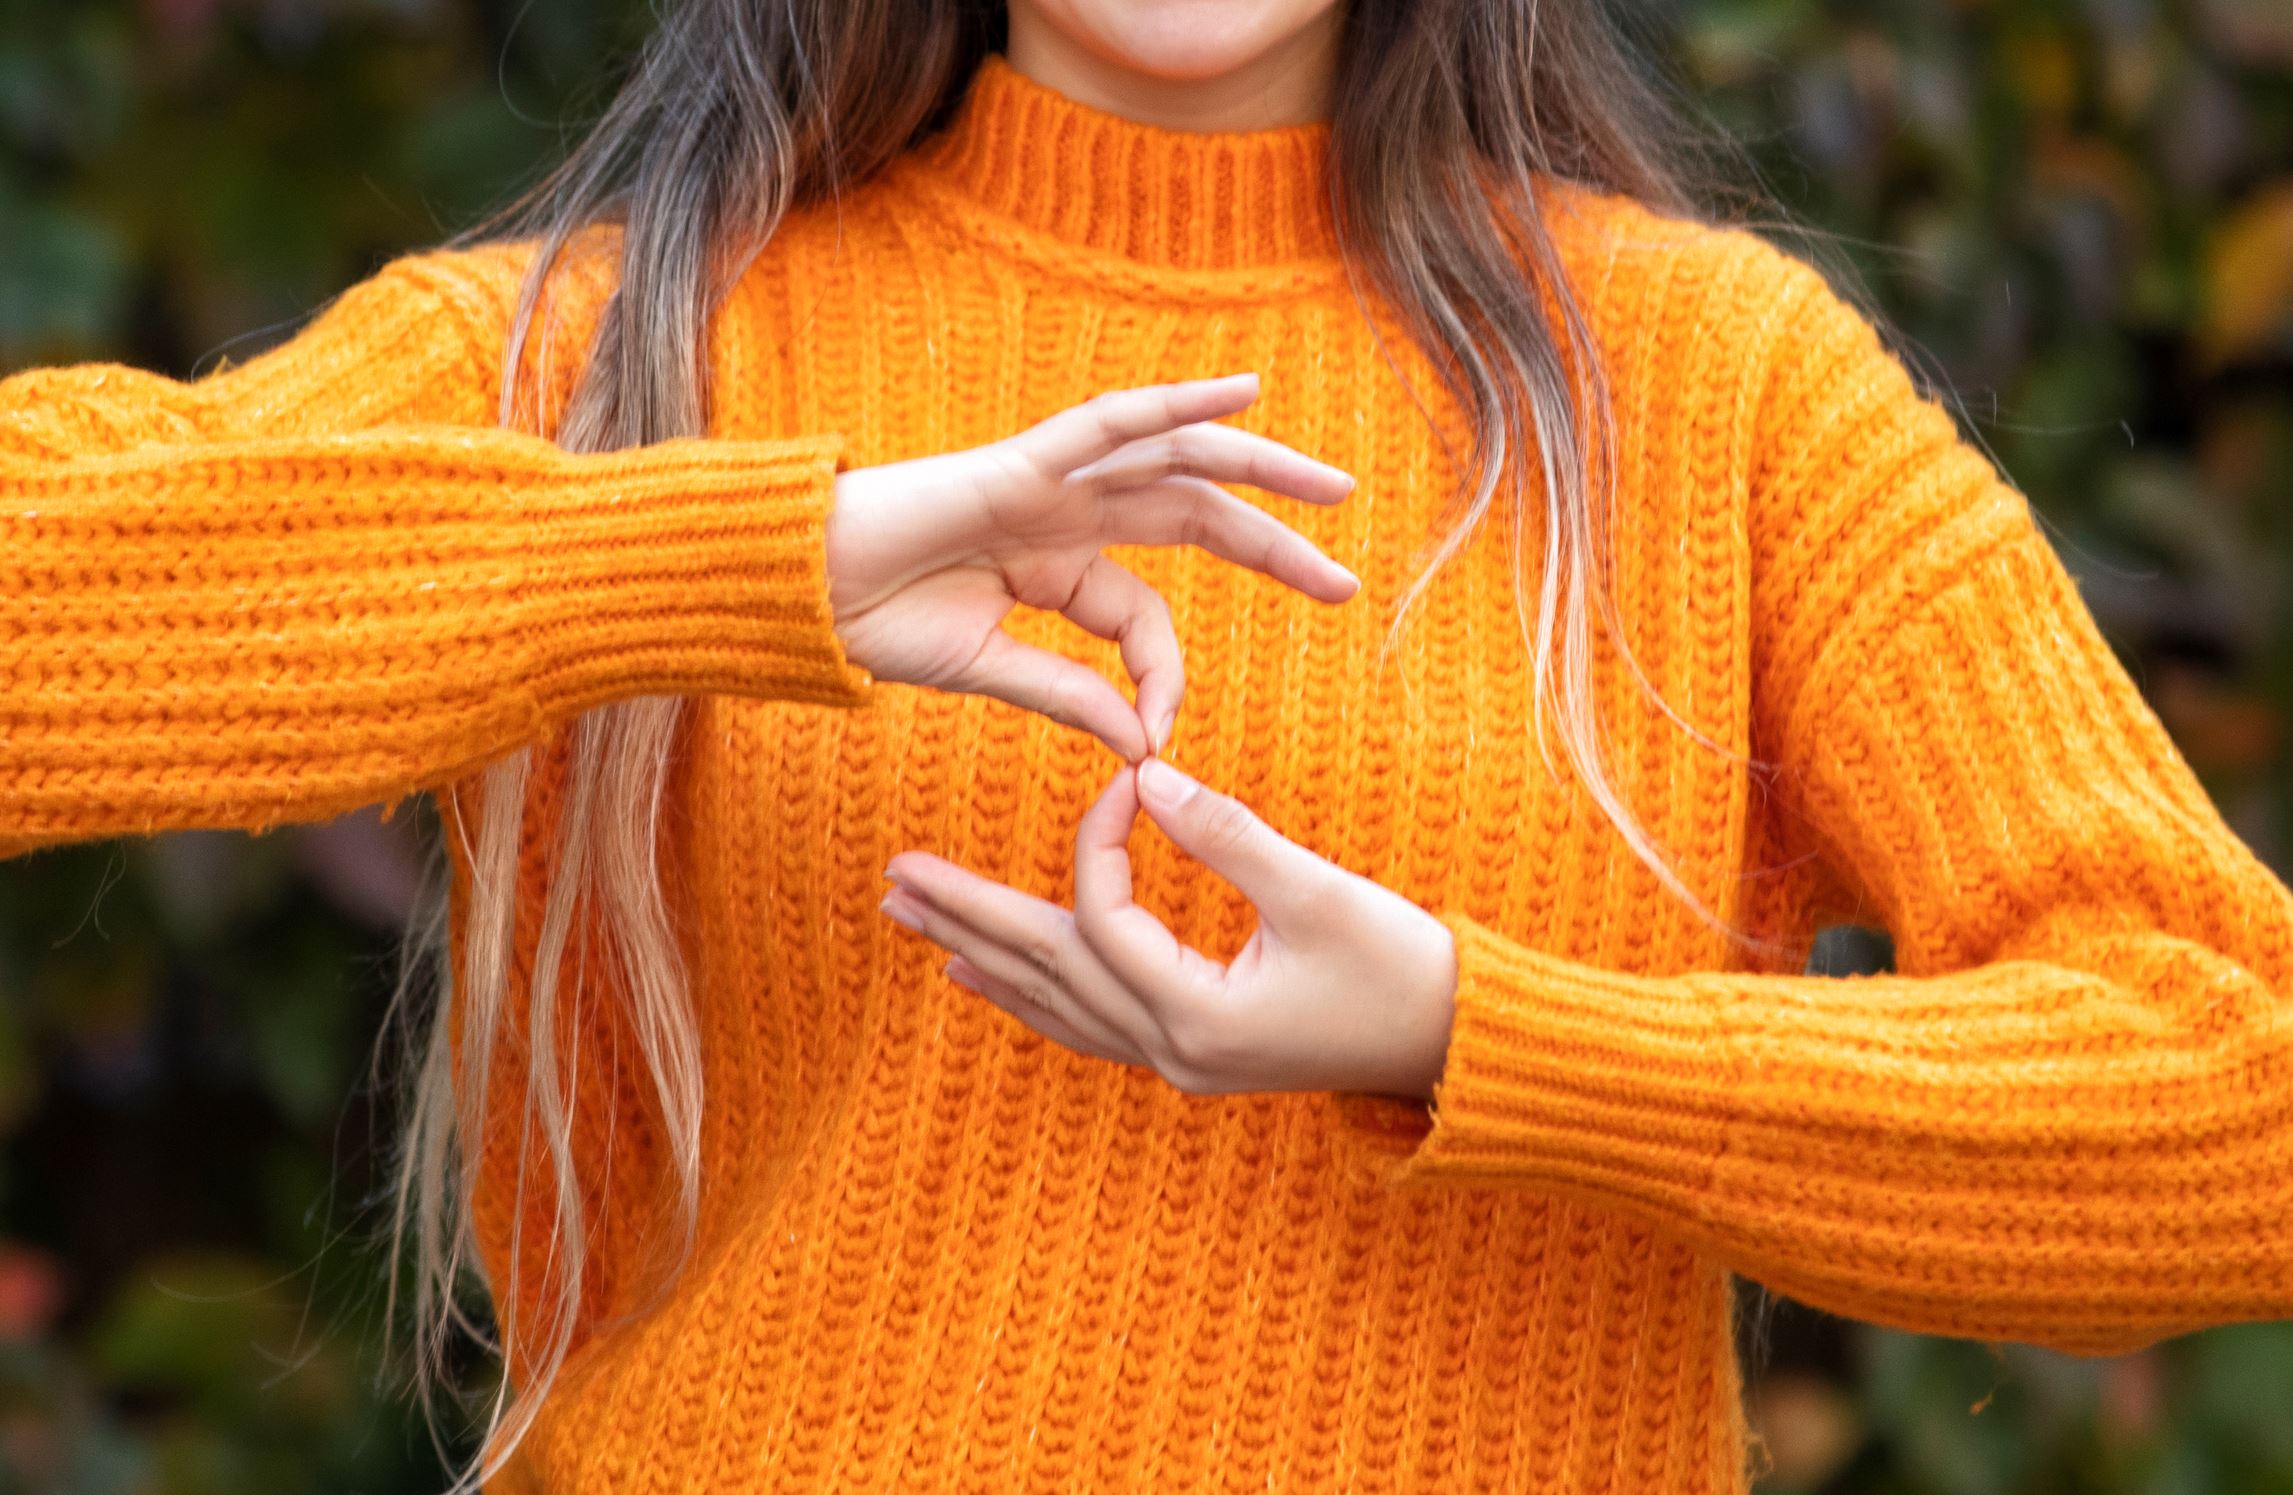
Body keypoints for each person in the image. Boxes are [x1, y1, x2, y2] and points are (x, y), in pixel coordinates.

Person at [3, 1, 2289, 1491]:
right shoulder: (628, 349)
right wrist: (741, 551)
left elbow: (2235, 1087)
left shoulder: (1708, 394)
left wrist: (1477, 1032)